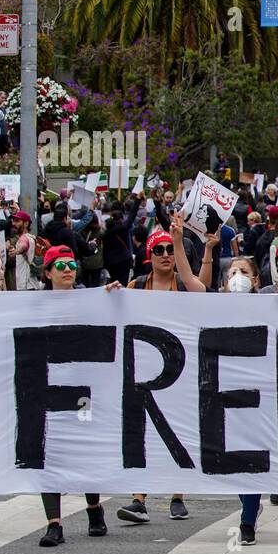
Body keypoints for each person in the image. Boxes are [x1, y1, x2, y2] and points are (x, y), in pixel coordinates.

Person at [102, 224, 208, 524]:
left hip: (179, 367)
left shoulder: (182, 283)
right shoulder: (136, 286)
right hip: (144, 369)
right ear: (148, 256)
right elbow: (114, 314)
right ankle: (139, 498)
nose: (164, 255)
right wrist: (110, 293)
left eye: (168, 251)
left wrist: (177, 243)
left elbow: (199, 289)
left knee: (178, 431)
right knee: (142, 433)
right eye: (158, 250)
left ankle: (177, 495)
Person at [34, 245, 109, 546]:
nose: (67, 270)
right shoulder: (32, 305)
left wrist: (113, 297)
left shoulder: (90, 301)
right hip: (45, 388)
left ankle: (93, 508)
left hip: (82, 389)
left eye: (72, 264)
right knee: (45, 454)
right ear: (48, 272)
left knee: (83, 451)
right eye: (60, 265)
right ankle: (54, 523)